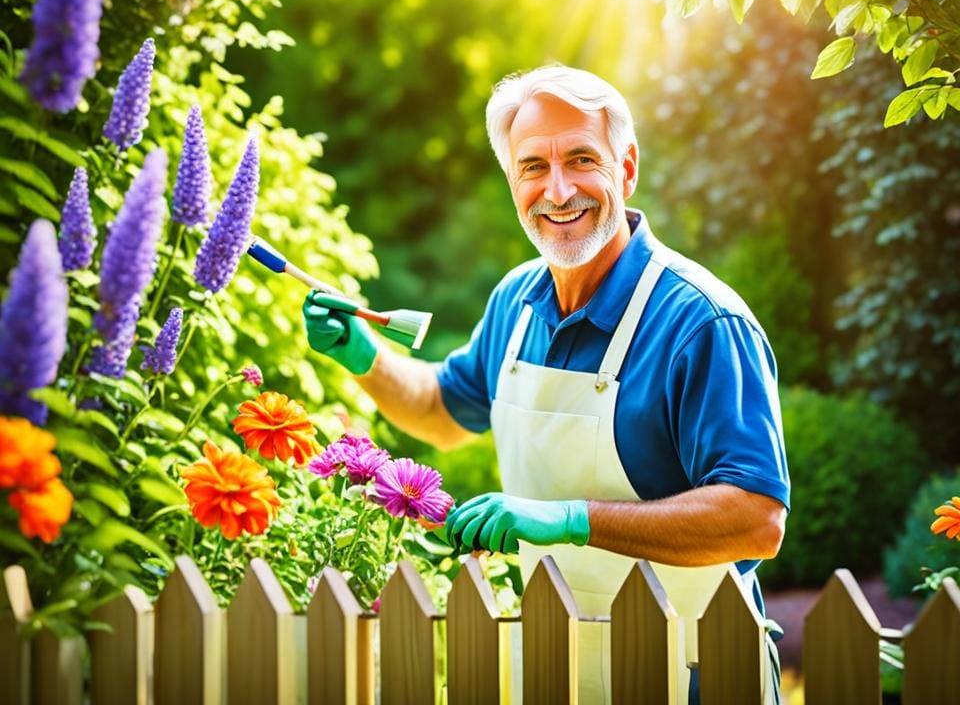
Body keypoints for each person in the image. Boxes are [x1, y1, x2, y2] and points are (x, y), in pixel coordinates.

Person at [303, 64, 790, 704]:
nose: (558, 190)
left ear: (628, 167)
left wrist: (568, 519)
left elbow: (756, 519)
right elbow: (442, 412)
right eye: (533, 166)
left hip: (698, 674)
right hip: (559, 673)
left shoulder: (700, 322)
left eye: (582, 159)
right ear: (513, 182)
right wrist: (365, 356)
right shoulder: (517, 300)